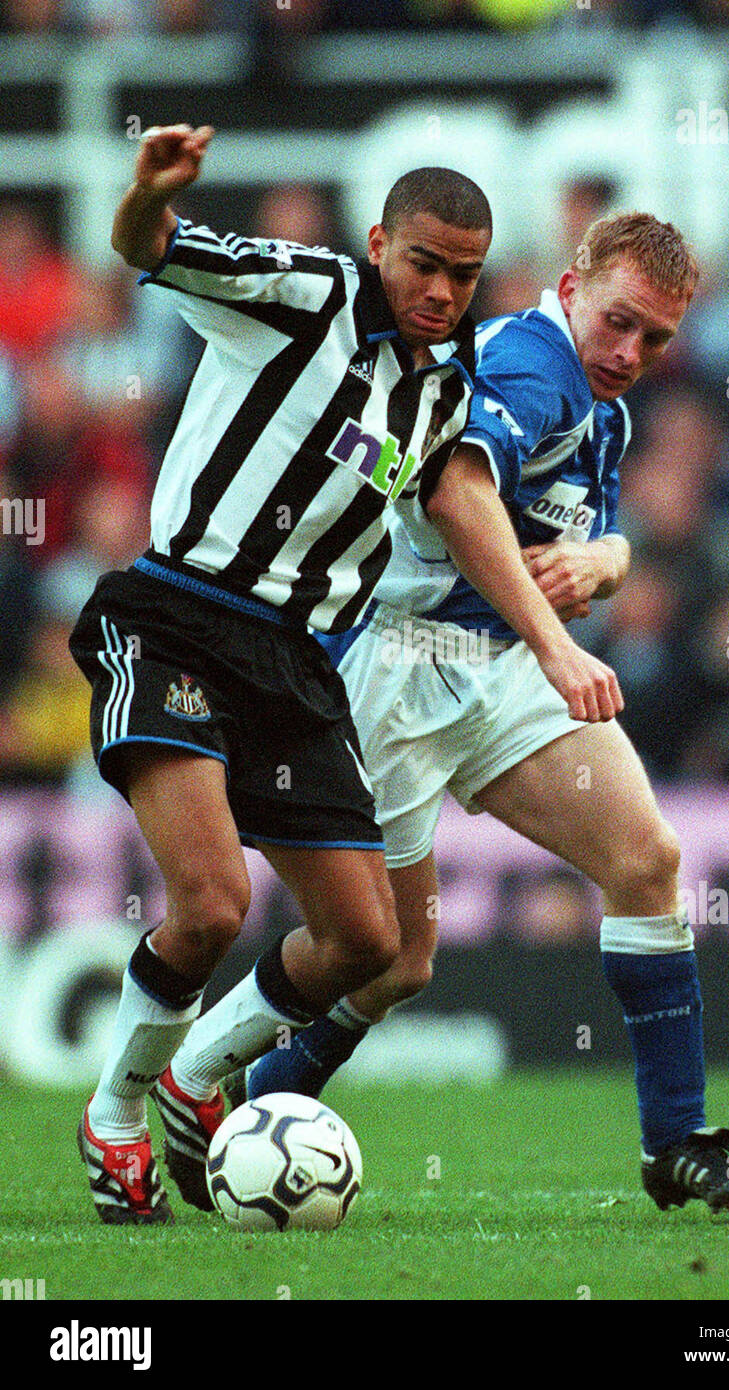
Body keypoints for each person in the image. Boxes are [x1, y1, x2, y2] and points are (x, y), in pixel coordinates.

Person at [71, 125, 618, 1224]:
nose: (443, 290)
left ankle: (194, 1076)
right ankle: (117, 1111)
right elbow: (150, 245)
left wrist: (560, 631)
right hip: (180, 616)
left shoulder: (445, 390)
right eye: (423, 263)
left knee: (368, 942)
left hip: (299, 660)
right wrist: (145, 192)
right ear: (379, 244)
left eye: (465, 274)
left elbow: (462, 509)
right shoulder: (301, 290)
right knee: (215, 902)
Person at [220, 210, 729, 1215]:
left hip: (499, 667)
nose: (628, 352)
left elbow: (596, 548)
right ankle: (228, 1089)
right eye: (616, 322)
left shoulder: (602, 407)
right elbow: (455, 491)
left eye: (654, 339)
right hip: (396, 665)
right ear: (571, 285)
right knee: (388, 959)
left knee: (643, 861)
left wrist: (605, 561)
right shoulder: (525, 364)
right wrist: (564, 639)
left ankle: (676, 1142)